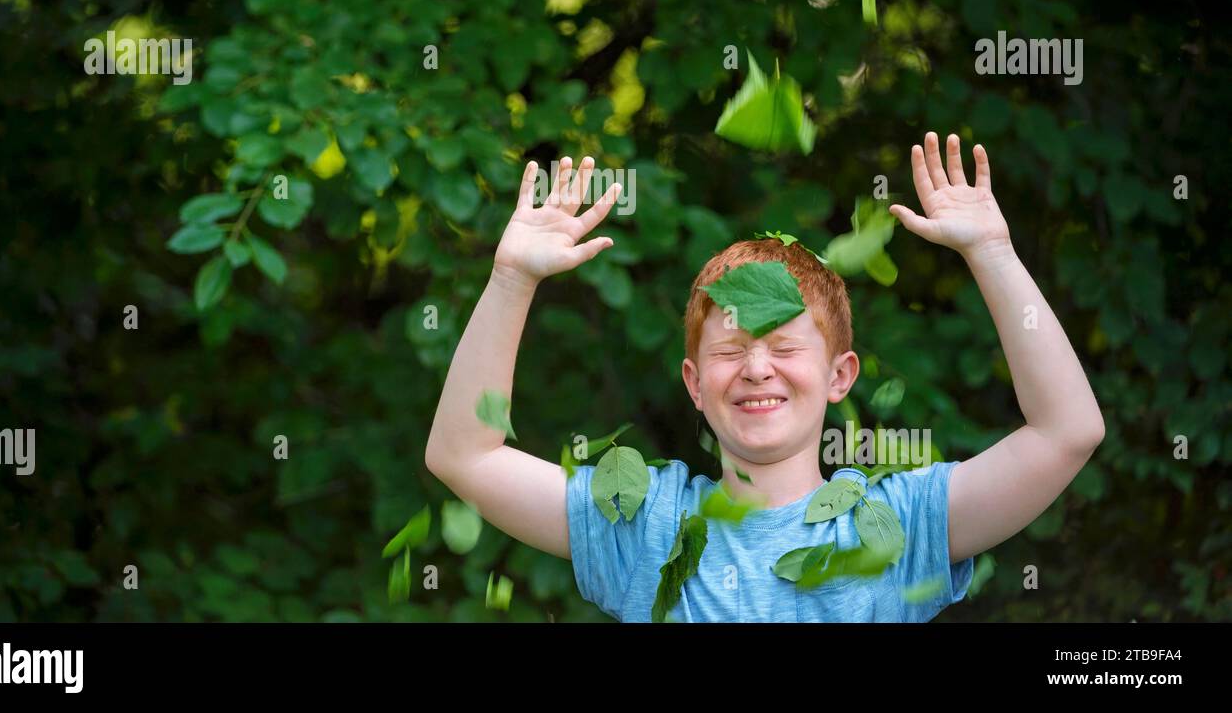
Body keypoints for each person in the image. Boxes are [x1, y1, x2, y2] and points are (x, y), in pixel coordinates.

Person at [424, 132, 1106, 621]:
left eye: (783, 344)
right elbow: (464, 454)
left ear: (841, 374)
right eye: (730, 350)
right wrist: (511, 278)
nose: (755, 368)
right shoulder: (645, 525)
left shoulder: (897, 526)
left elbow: (1066, 432)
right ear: (693, 382)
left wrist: (992, 252)